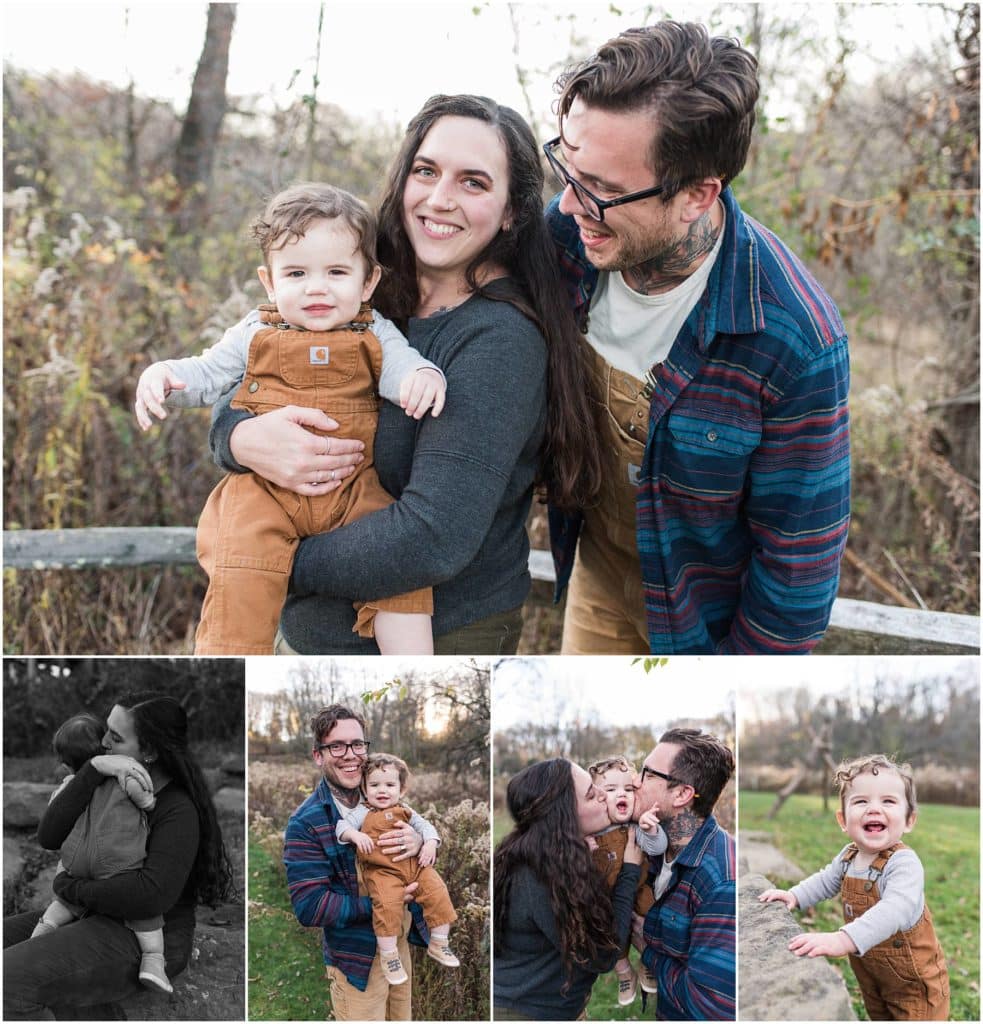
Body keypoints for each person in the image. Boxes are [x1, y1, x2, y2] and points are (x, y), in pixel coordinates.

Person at [209, 94, 604, 655]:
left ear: (512, 210)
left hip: (439, 642)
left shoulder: (498, 340)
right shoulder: (358, 292)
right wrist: (241, 437)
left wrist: (258, 559)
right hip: (308, 635)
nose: (440, 200)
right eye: (426, 171)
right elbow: (243, 387)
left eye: (473, 182)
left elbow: (431, 538)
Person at [544, 21, 851, 654]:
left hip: (703, 626)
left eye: (601, 189)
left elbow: (795, 571)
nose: (570, 206)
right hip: (595, 581)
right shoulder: (565, 243)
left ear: (696, 195)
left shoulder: (794, 341)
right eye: (568, 169)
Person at [135, 183, 445, 655]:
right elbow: (207, 372)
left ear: (367, 283)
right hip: (265, 491)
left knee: (397, 563)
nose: (316, 287)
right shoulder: (255, 331)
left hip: (352, 486)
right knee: (242, 566)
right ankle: (231, 660)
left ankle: (413, 663)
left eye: (337, 272)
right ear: (270, 282)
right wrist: (165, 376)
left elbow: (401, 368)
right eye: (296, 272)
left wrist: (422, 376)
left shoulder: (375, 332)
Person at [3, 691, 235, 1020]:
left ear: (151, 751)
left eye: (115, 738)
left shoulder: (176, 808)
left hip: (145, 937)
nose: (102, 743)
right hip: (88, 914)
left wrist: (70, 888)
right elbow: (49, 836)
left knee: (7, 980)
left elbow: (148, 896)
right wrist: (93, 769)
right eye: (104, 732)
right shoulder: (103, 780)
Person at [759, 754, 950, 1020]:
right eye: (861, 801)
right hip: (872, 977)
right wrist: (795, 895)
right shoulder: (848, 856)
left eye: (888, 801)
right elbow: (826, 880)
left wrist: (842, 939)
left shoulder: (904, 864)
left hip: (913, 987)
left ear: (909, 820)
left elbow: (894, 910)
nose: (874, 809)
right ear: (843, 820)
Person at [283, 705, 433, 1020]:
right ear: (318, 755)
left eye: (357, 744)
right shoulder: (307, 823)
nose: (350, 754)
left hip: (399, 945)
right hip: (357, 960)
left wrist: (421, 843)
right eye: (336, 746)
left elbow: (418, 858)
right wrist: (384, 903)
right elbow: (310, 906)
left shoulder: (384, 798)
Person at [30, 712, 171, 994]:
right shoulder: (123, 776)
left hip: (76, 864)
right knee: (145, 916)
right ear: (105, 747)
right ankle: (154, 961)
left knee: (66, 900)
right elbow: (144, 798)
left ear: (66, 763)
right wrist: (148, 801)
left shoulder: (69, 787)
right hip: (118, 862)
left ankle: (44, 928)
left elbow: (55, 812)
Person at [493, 758, 643, 1020]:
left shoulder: (554, 855)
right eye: (590, 794)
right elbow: (603, 955)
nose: (601, 796)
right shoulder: (540, 874)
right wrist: (630, 870)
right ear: (564, 814)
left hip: (559, 1009)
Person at [632, 728, 736, 1019]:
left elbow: (712, 1005)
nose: (634, 782)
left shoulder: (721, 883)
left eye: (647, 774)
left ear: (681, 794)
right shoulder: (652, 846)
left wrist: (646, 948)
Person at [336, 752, 458, 985]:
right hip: (382, 872)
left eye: (390, 785)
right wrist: (355, 834)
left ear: (401, 790)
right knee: (388, 904)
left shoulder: (406, 810)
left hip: (415, 867)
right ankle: (389, 956)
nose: (382, 790)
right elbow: (341, 827)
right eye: (374, 785)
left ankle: (439, 942)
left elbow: (427, 827)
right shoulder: (363, 812)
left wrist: (430, 843)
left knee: (438, 891)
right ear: (364, 788)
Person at [586, 754, 667, 1006]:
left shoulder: (635, 826)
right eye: (610, 789)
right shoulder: (590, 831)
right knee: (610, 936)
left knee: (652, 920)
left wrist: (650, 829)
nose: (622, 794)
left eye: (629, 788)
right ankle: (624, 972)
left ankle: (647, 961)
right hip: (607, 898)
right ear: (598, 798)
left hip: (639, 890)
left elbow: (657, 847)